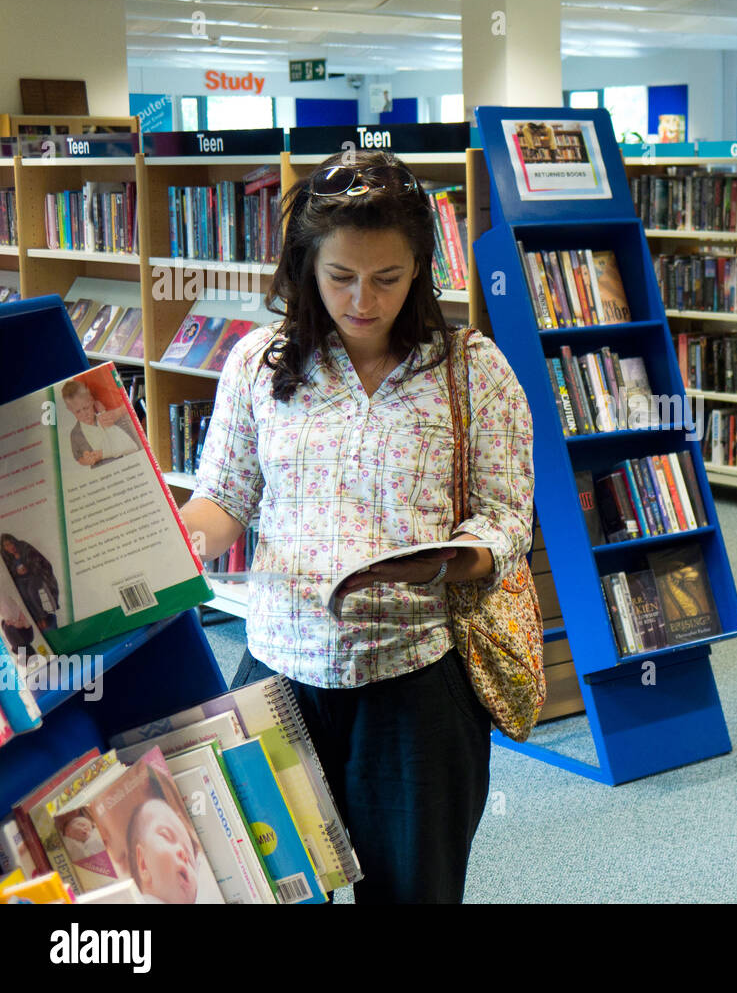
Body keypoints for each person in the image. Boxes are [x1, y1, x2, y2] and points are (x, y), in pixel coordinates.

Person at [180, 150, 534, 904]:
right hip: (280, 669)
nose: (363, 301)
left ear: (420, 270)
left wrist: (447, 561)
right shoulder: (256, 363)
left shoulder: (473, 371)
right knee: (267, 888)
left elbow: (507, 519)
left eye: (387, 278)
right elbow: (224, 497)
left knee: (412, 892)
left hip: (413, 682)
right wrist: (173, 541)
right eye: (340, 277)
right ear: (305, 267)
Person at [61, 379, 141, 467]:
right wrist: (86, 460)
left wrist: (103, 412)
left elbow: (130, 446)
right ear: (70, 410)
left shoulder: (105, 418)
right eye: (78, 411)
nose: (84, 414)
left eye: (86, 408)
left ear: (91, 401)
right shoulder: (75, 433)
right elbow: (79, 458)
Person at [1, 534, 58, 632]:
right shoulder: (5, 557)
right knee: (23, 593)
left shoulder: (24, 547)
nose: (10, 547)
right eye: (6, 545)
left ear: (14, 541)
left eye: (10, 543)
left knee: (31, 591)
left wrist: (28, 568)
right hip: (21, 580)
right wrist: (16, 571)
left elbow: (39, 562)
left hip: (35, 575)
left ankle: (42, 617)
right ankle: (37, 618)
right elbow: (9, 574)